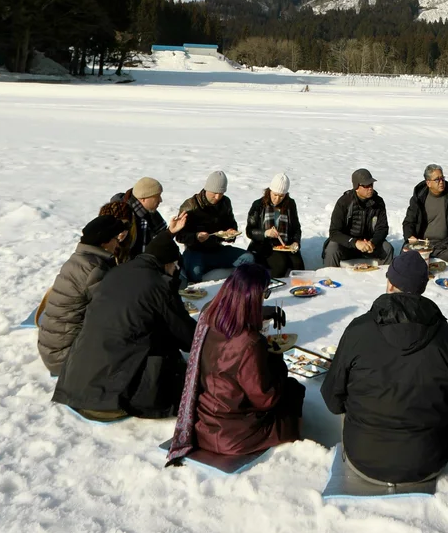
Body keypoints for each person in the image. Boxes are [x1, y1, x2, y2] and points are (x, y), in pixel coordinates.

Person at [322, 250, 448, 484]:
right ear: (422, 288)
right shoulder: (446, 337)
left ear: (390, 284)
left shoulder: (358, 330)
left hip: (364, 459)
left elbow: (333, 399)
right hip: (428, 459)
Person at [165, 262, 304, 466]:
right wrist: (277, 362)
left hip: (205, 422)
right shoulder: (250, 343)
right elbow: (265, 399)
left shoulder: (208, 316)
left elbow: (236, 308)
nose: (263, 300)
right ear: (252, 299)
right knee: (293, 391)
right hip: (235, 435)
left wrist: (266, 311)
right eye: (262, 296)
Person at [52, 230, 195, 421]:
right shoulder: (159, 284)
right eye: (175, 265)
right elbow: (188, 337)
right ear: (168, 263)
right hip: (108, 400)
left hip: (74, 386)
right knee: (166, 352)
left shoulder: (115, 272)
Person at [36, 217, 129, 375]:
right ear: (104, 242)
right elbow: (112, 312)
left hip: (53, 349)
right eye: (115, 239)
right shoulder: (94, 268)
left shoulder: (80, 259)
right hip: (66, 357)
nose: (117, 243)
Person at [176, 169, 253, 284]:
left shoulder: (225, 203)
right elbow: (179, 236)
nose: (217, 197)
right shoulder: (190, 206)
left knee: (248, 258)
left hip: (217, 249)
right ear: (207, 189)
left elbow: (231, 223)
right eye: (214, 193)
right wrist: (196, 237)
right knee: (194, 274)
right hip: (195, 251)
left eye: (221, 193)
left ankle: (235, 287)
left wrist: (231, 232)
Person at [98, 176, 187, 260]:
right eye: (157, 196)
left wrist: (170, 232)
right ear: (144, 198)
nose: (160, 200)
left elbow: (160, 243)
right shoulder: (121, 215)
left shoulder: (151, 215)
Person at [322, 168, 393, 268]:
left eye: (371, 184)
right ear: (356, 187)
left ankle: (387, 280)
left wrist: (373, 242)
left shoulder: (378, 202)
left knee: (387, 248)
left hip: (369, 246)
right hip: (347, 245)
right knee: (332, 248)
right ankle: (329, 279)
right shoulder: (344, 202)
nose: (370, 188)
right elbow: (334, 232)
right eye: (366, 185)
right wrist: (355, 242)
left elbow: (382, 228)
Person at [402, 163, 448, 264]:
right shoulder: (419, 198)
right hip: (422, 244)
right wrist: (410, 236)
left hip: (446, 244)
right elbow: (408, 221)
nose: (441, 182)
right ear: (428, 183)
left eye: (442, 178)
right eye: (437, 179)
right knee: (405, 259)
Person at [246, 173, 305, 276]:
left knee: (298, 265)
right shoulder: (258, 205)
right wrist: (265, 233)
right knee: (280, 264)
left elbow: (296, 227)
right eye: (275, 195)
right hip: (264, 245)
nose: (277, 199)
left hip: (285, 244)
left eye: (281, 196)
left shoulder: (290, 204)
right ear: (270, 191)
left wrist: (296, 242)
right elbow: (250, 231)